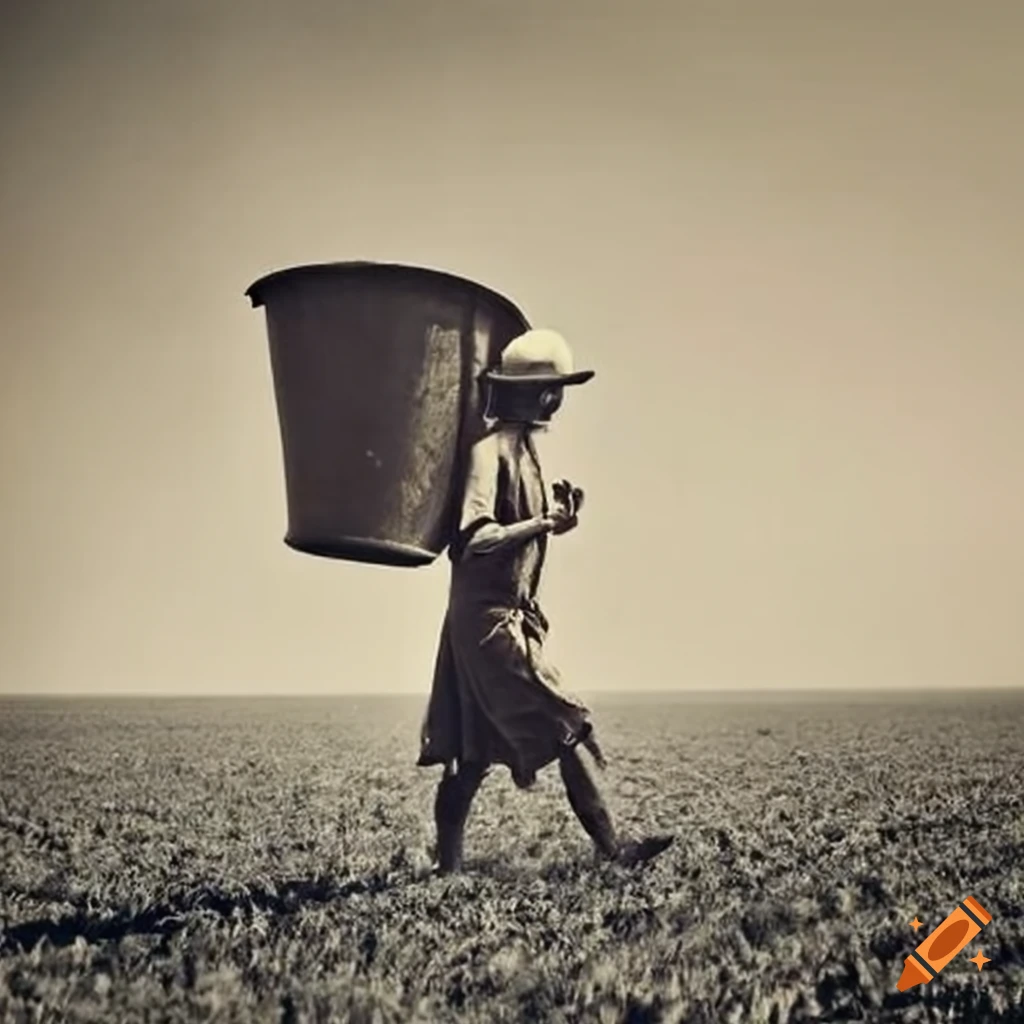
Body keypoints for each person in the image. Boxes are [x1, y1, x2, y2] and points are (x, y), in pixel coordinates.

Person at [416, 328, 674, 874]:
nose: (555, 399)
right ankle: (615, 852)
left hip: (495, 621)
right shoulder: (490, 453)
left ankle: (448, 870)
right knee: (567, 722)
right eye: (550, 389)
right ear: (524, 393)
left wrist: (554, 525)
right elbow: (475, 537)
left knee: (471, 752)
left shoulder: (525, 452)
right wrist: (540, 523)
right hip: (487, 624)